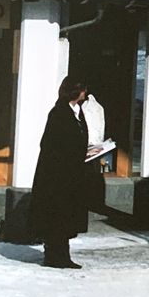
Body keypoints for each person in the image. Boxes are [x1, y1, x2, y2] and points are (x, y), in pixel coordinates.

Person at [28, 76, 92, 269]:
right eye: (82, 90)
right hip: (57, 176)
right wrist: (73, 154)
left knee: (64, 217)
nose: (85, 94)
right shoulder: (59, 113)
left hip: (70, 175)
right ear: (75, 91)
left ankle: (61, 256)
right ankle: (55, 257)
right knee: (57, 216)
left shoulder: (76, 113)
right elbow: (49, 144)